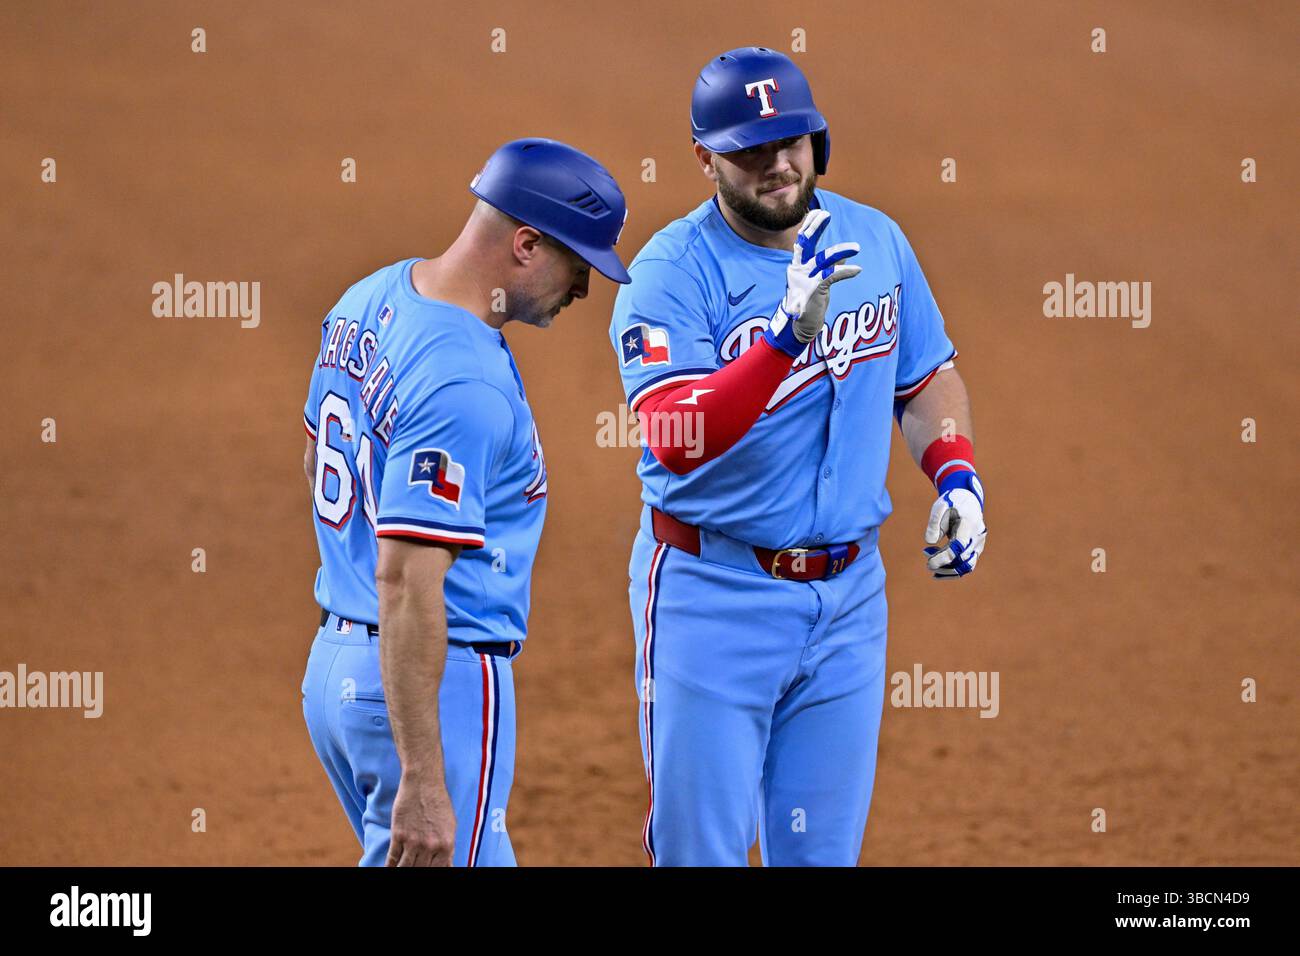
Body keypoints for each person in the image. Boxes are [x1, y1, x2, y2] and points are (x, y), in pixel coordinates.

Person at [608, 47, 988, 866]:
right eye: (749, 149)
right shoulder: (669, 275)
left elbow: (926, 378)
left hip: (850, 603)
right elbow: (677, 441)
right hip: (711, 600)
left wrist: (956, 475)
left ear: (818, 139)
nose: (776, 164)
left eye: (792, 141)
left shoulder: (876, 241)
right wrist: (783, 339)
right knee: (698, 854)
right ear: (706, 158)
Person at [301, 137, 629, 866]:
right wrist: (422, 775)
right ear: (525, 243)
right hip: (426, 686)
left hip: (339, 670)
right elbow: (407, 577)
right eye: (580, 265)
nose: (583, 289)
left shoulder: (371, 298)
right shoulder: (462, 383)